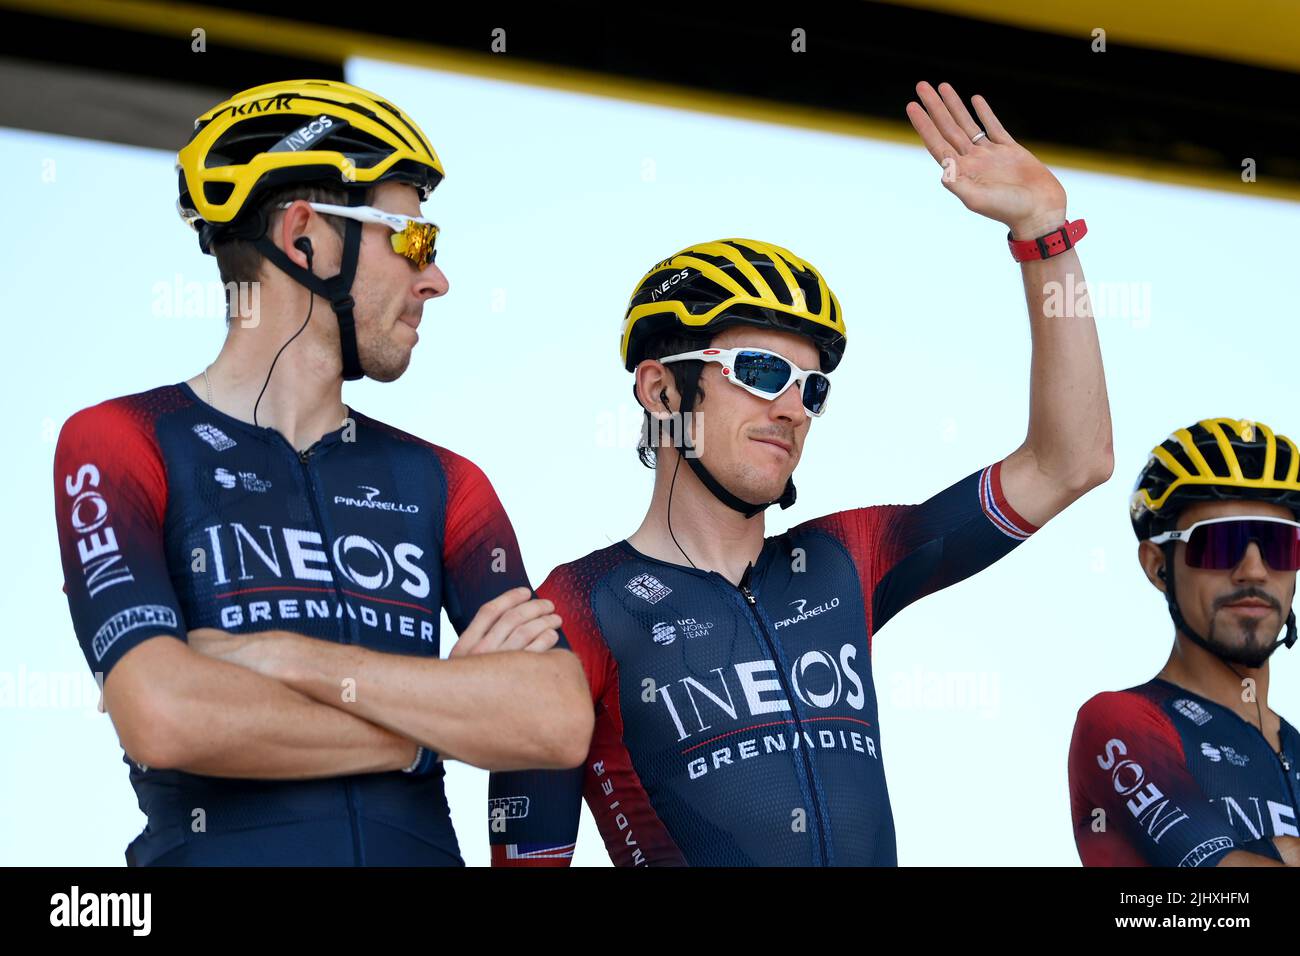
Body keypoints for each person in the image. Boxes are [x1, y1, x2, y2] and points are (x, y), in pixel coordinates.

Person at [486, 81, 1112, 866]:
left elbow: (1072, 459)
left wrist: (1045, 235)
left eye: (811, 387)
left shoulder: (849, 557)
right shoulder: (574, 608)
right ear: (659, 389)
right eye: (757, 369)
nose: (791, 406)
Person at [52, 78, 591, 866]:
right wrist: (434, 720)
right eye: (411, 239)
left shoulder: (447, 482)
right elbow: (165, 715)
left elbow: (553, 720)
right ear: (306, 237)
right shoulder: (120, 439)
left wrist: (279, 656)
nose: (435, 278)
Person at [1069, 418, 1300, 867]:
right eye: (1219, 544)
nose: (1253, 571)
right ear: (1158, 566)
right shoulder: (1118, 722)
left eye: (1280, 545)